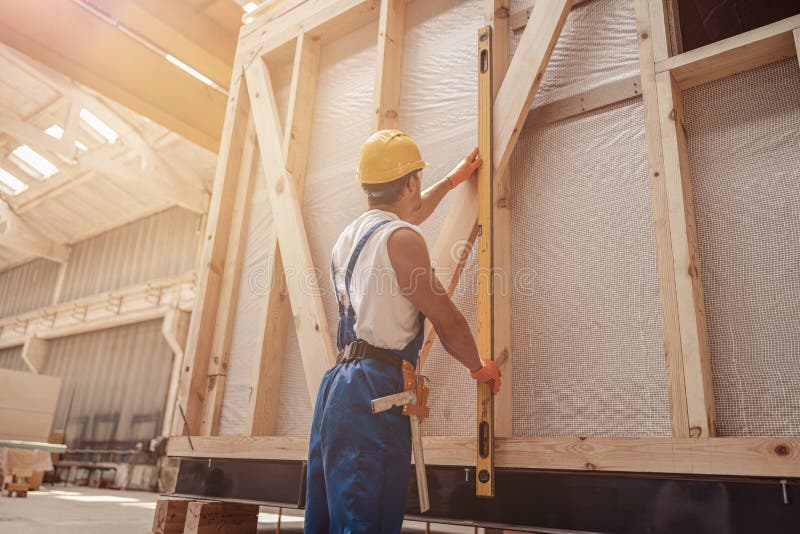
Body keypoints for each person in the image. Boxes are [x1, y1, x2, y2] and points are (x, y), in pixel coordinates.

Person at [304, 129, 502, 533]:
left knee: (328, 521)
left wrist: (453, 179)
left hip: (337, 390)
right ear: (410, 181)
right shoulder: (402, 240)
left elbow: (409, 214)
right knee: (367, 521)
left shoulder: (352, 236)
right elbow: (446, 320)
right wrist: (478, 367)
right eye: (417, 181)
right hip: (376, 392)